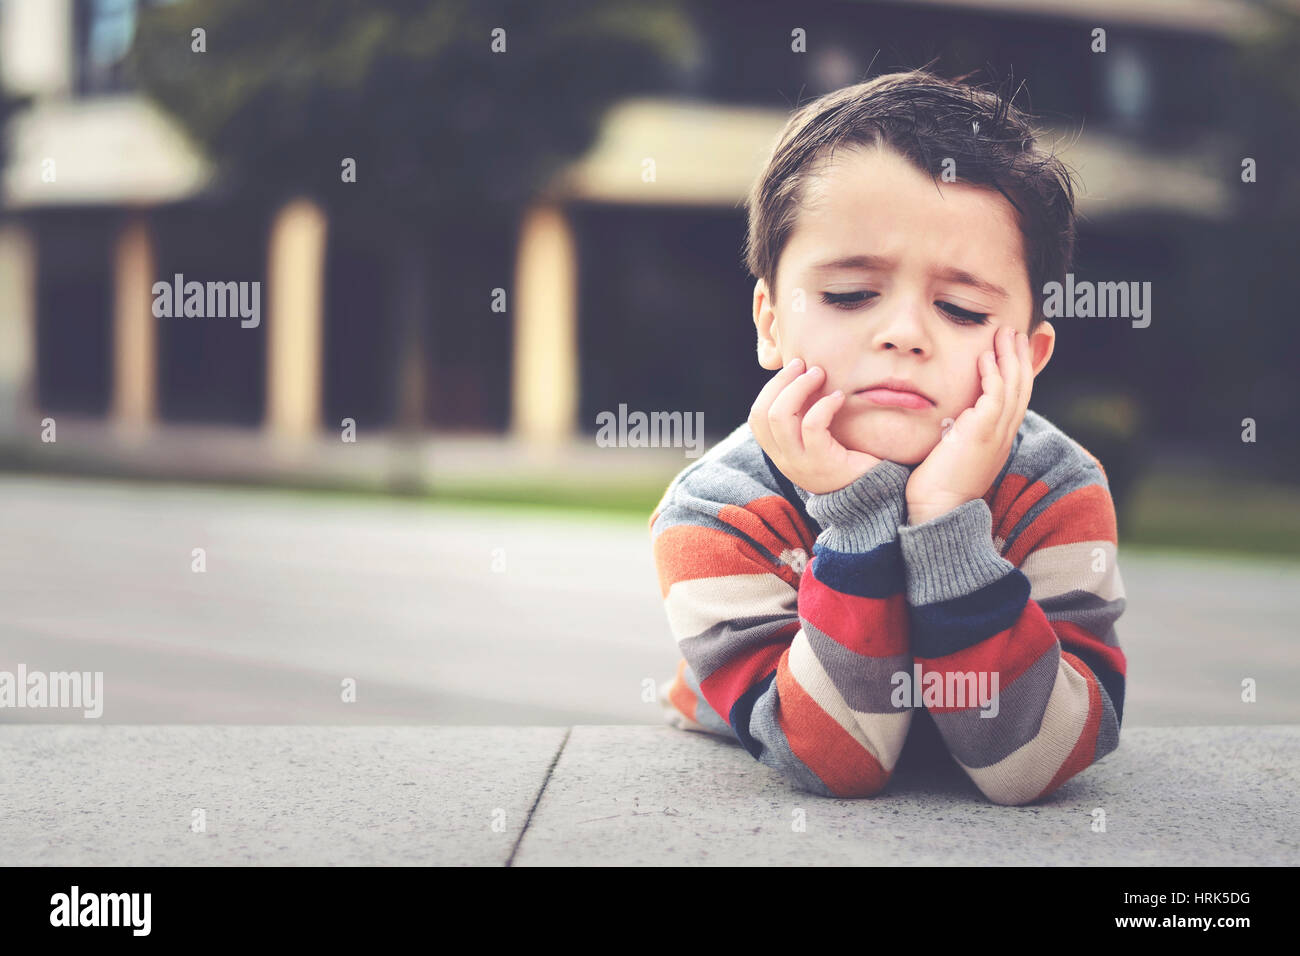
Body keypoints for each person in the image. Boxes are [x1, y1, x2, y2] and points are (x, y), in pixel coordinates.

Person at [649, 69, 1127, 805]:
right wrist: (861, 512)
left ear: (1029, 359)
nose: (904, 334)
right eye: (849, 295)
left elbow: (1033, 763)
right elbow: (835, 761)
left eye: (963, 309)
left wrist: (946, 520)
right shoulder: (717, 512)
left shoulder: (1056, 491)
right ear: (770, 321)